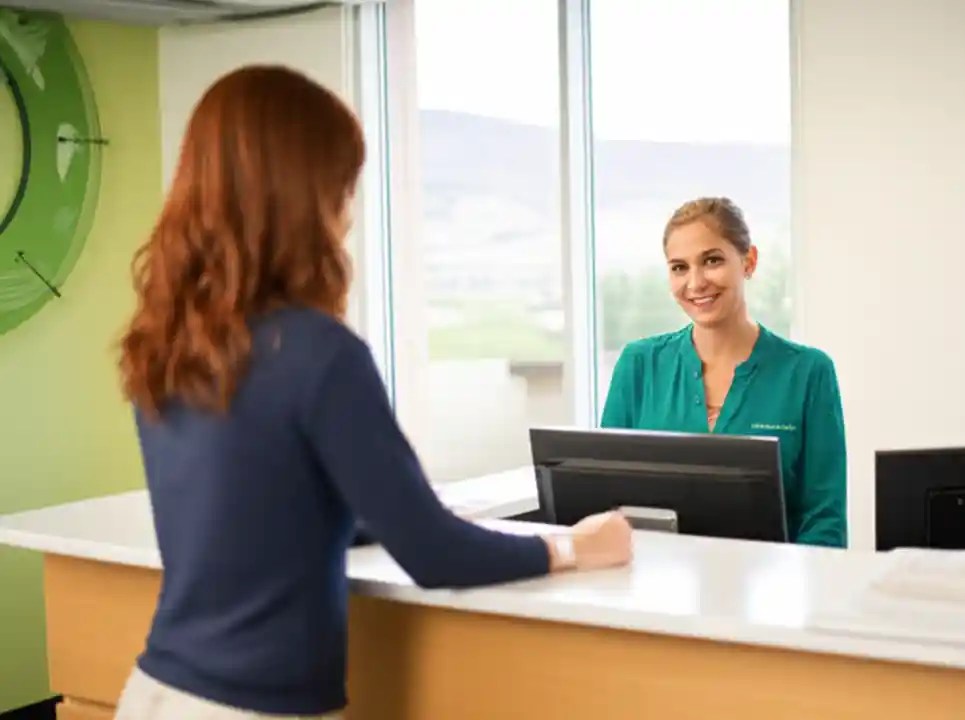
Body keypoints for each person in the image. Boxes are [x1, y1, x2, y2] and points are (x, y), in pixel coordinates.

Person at [112, 65, 632, 719]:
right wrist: (572, 547)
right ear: (302, 196)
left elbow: (252, 509)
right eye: (342, 186)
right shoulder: (319, 352)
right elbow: (434, 554)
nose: (349, 214)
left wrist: (377, 515)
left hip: (155, 693)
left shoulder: (167, 342)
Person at [601, 197, 847, 548]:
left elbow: (825, 521)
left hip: (777, 591)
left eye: (712, 261)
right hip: (656, 587)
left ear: (749, 262)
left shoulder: (809, 372)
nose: (696, 282)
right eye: (679, 267)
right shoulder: (638, 365)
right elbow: (606, 504)